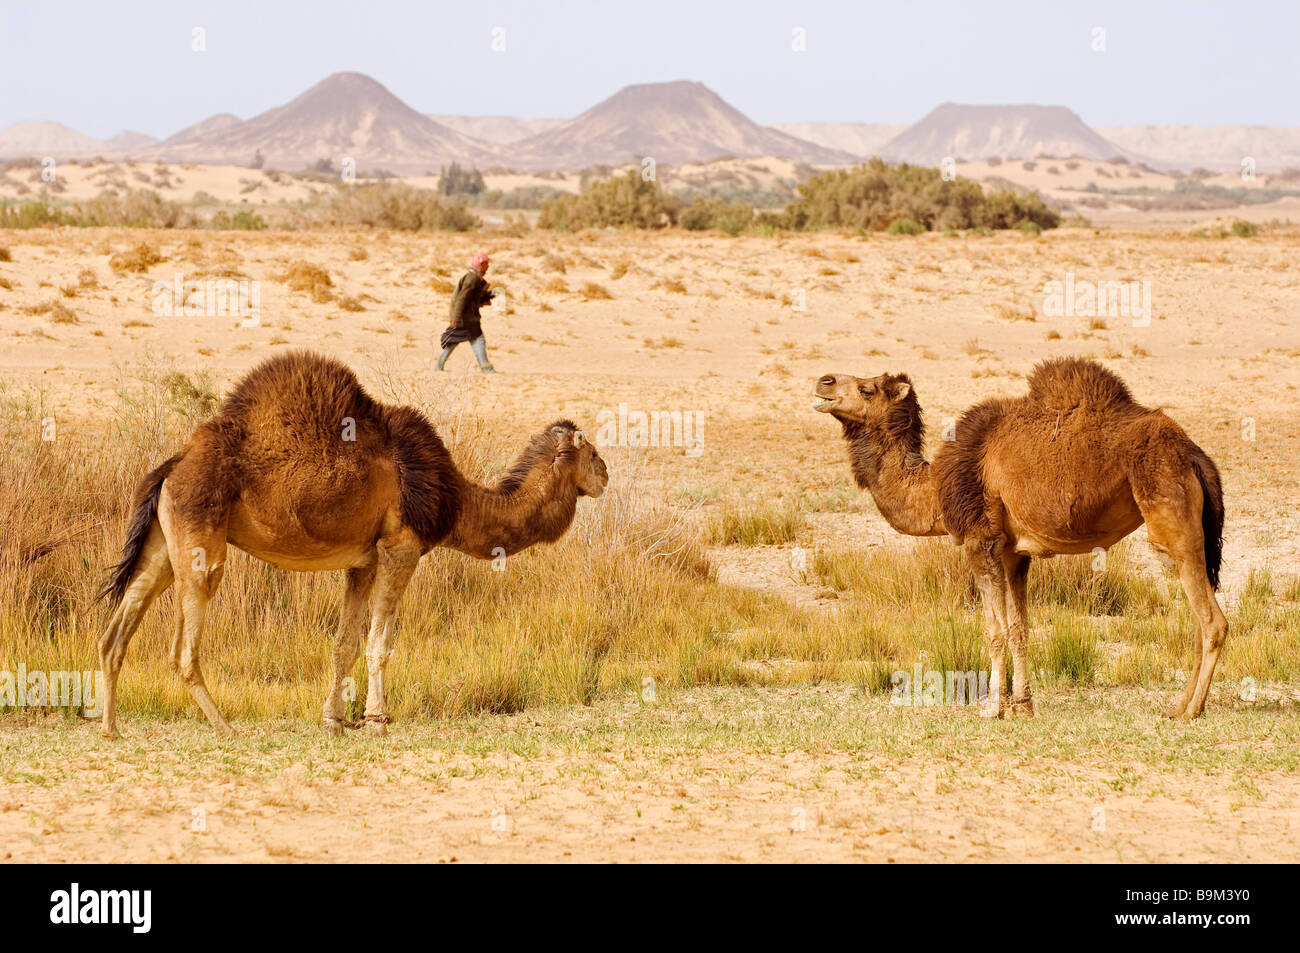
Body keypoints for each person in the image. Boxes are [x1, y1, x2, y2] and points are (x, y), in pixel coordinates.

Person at [436, 251, 498, 373]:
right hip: (466, 318)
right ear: (480, 264)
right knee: (478, 340)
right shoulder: (472, 279)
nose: (488, 266)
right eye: (486, 264)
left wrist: (488, 295)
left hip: (466, 317)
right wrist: (455, 318)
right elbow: (462, 299)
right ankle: (487, 369)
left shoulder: (475, 277)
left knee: (454, 341)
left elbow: (474, 298)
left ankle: (438, 366)